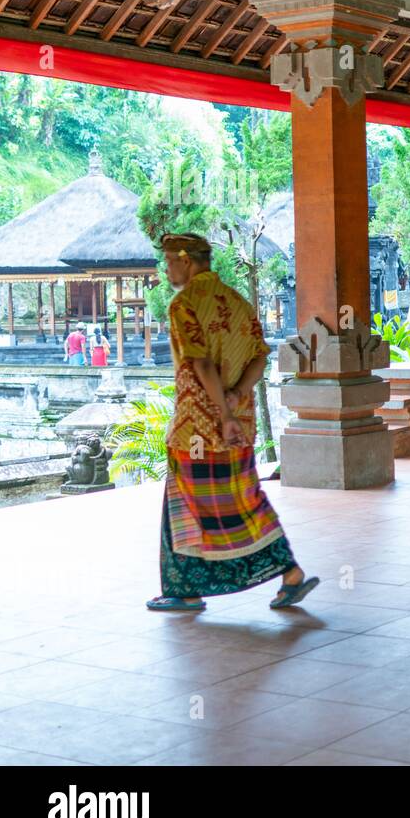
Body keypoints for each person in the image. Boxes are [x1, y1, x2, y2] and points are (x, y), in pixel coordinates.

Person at [146, 233, 318, 612]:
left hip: (198, 427)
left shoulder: (185, 304)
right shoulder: (239, 302)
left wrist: (221, 414)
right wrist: (238, 396)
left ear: (186, 260)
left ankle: (186, 590)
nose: (167, 269)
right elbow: (259, 357)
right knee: (244, 498)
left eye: (170, 262)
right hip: (240, 423)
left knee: (187, 503)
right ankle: (289, 573)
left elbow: (201, 363)